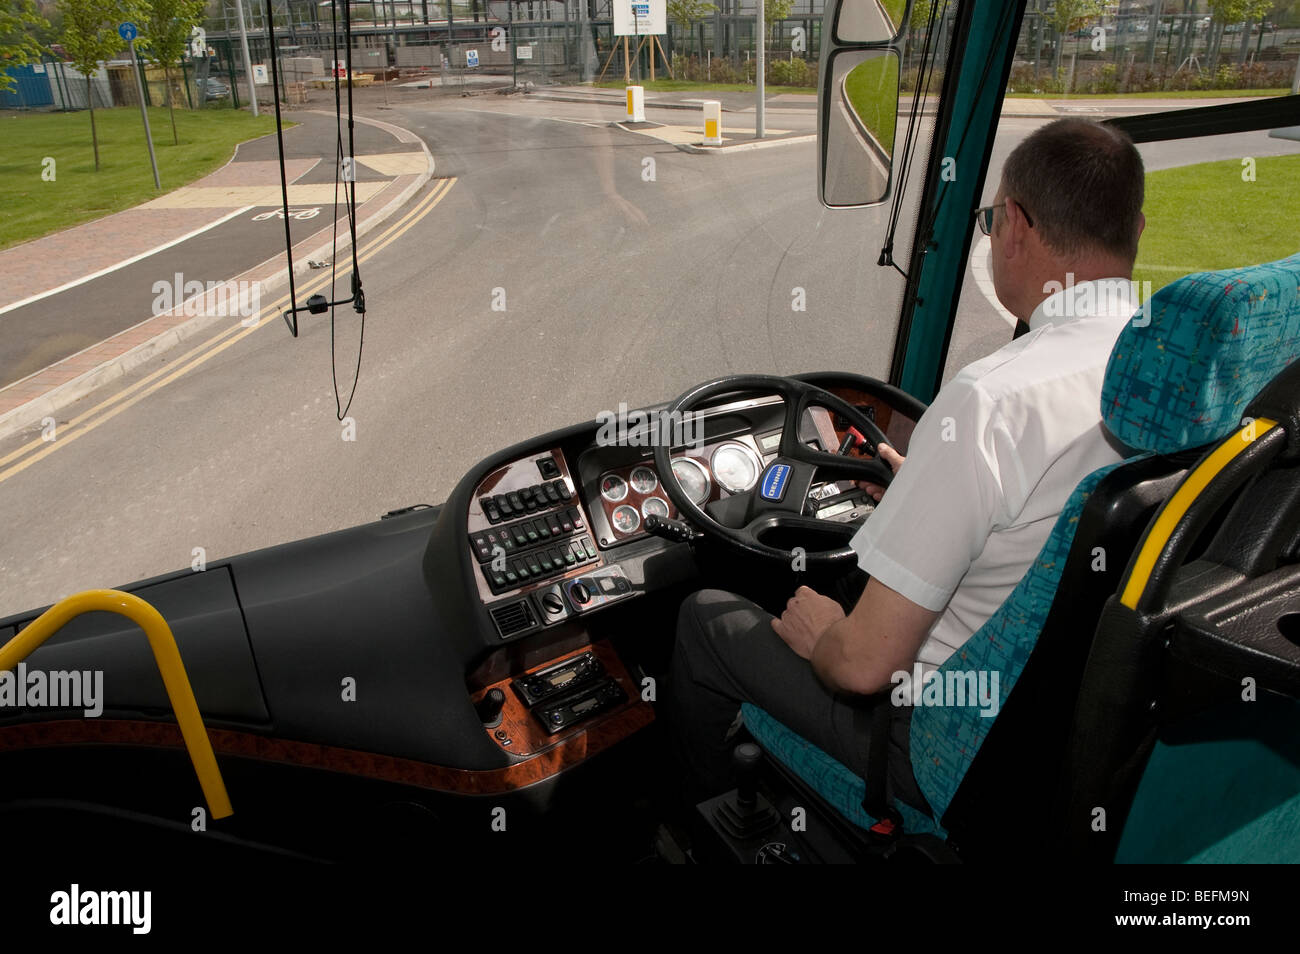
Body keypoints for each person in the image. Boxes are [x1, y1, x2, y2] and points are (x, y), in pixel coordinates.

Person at [669, 118, 1147, 809]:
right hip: (1076, 722)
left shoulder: (992, 402)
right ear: (1134, 229)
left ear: (1014, 225)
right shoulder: (1178, 384)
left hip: (935, 746)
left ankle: (700, 829)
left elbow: (863, 669)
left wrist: (822, 636)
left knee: (705, 619)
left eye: (986, 221)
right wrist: (927, 485)